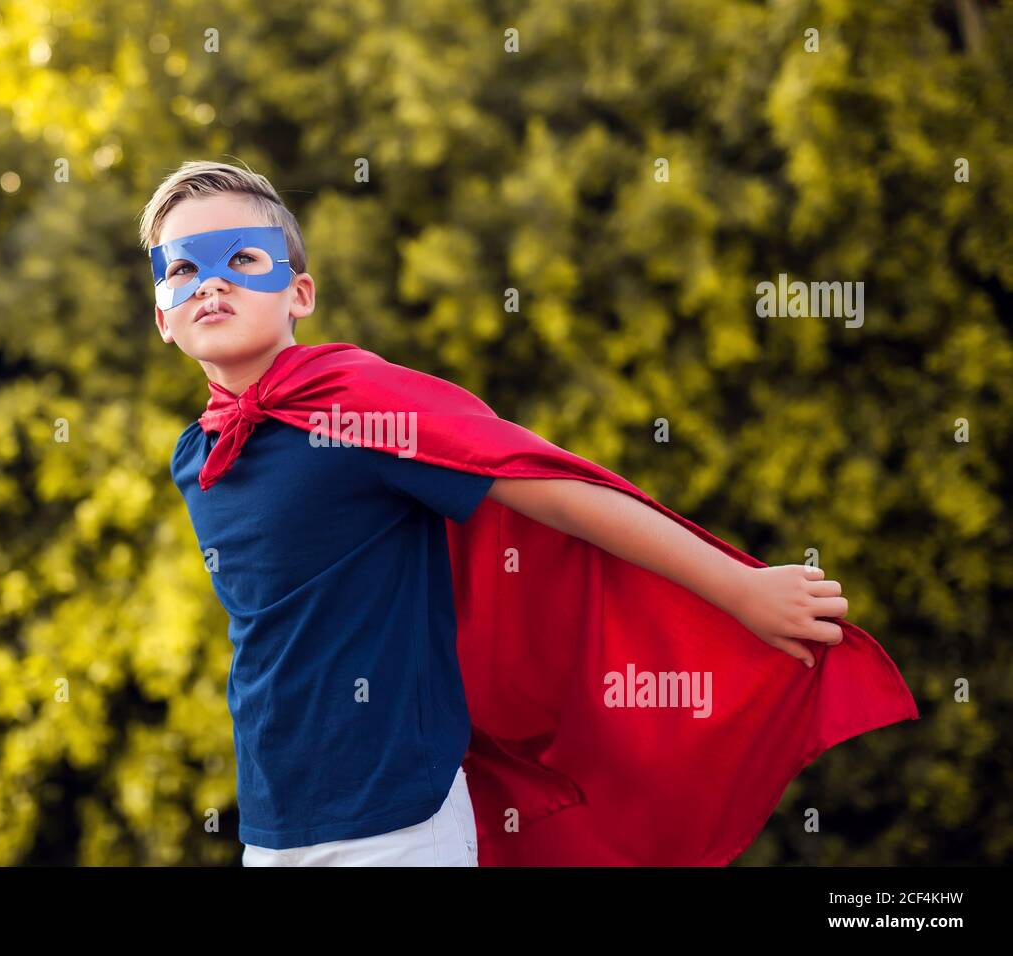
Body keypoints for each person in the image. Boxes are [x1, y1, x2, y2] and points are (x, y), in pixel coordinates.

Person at [141, 160, 916, 867]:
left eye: (241, 259)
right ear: (163, 317)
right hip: (274, 830)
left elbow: (541, 482)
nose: (211, 284)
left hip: (398, 830)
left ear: (298, 292)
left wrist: (737, 588)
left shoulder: (359, 405)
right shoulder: (199, 460)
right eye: (183, 269)